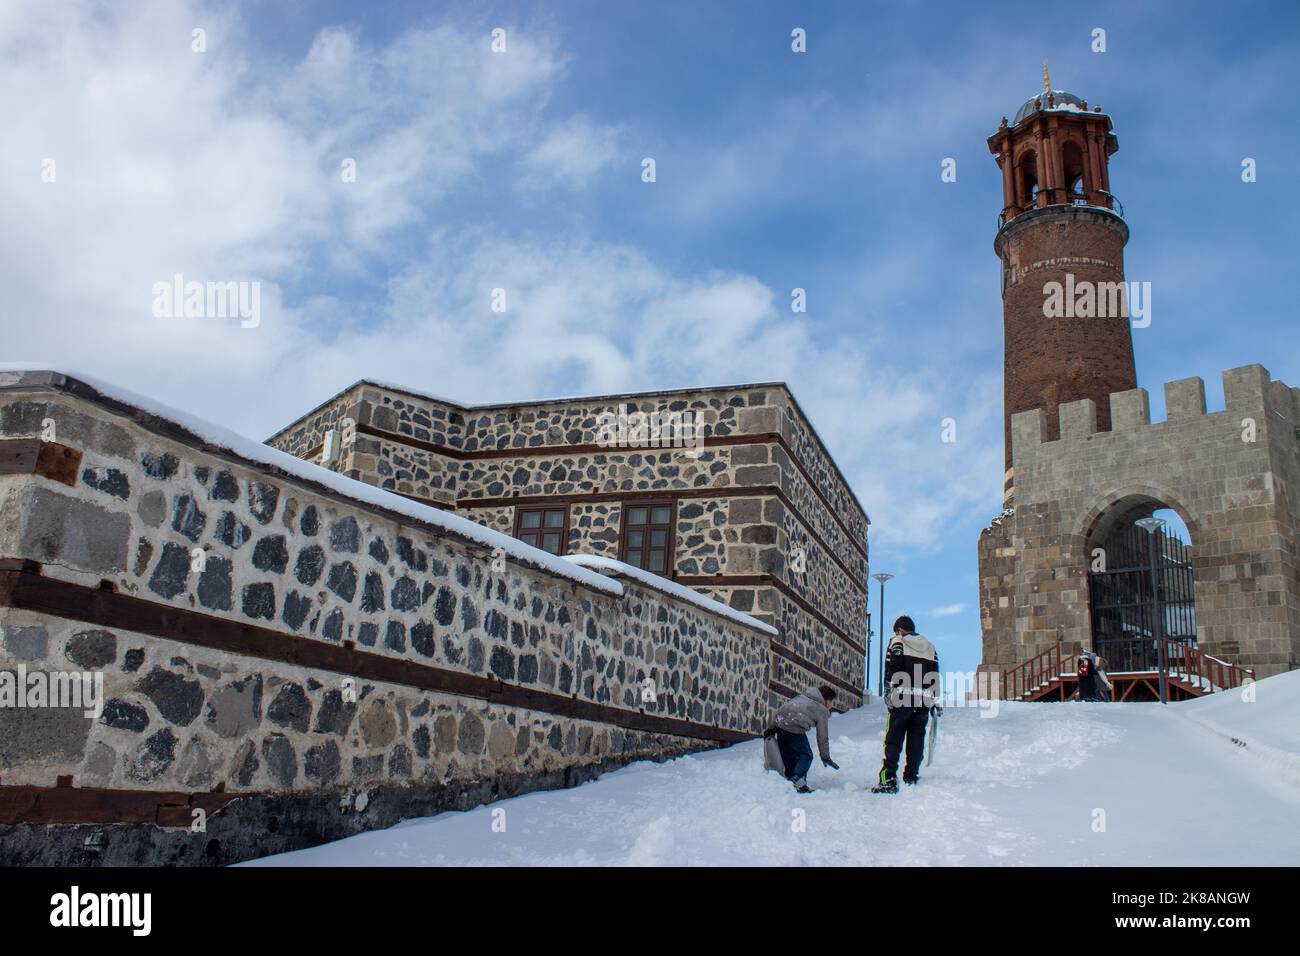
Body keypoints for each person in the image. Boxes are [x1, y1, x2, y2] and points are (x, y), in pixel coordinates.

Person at [872, 615, 939, 794]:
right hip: (923, 700)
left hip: (902, 698)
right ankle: (911, 776)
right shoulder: (931, 648)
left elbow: (892, 668)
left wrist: (888, 692)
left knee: (893, 738)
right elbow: (935, 676)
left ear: (900, 630)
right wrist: (934, 701)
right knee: (917, 739)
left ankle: (888, 778)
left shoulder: (898, 642)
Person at [768, 685, 839, 793]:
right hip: (794, 728)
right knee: (806, 755)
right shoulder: (821, 710)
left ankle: (789, 783)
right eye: (831, 701)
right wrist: (825, 757)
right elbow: (822, 736)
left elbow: (783, 709)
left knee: (790, 756)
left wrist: (771, 728)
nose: (832, 705)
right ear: (826, 700)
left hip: (781, 725)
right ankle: (798, 781)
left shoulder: (803, 697)